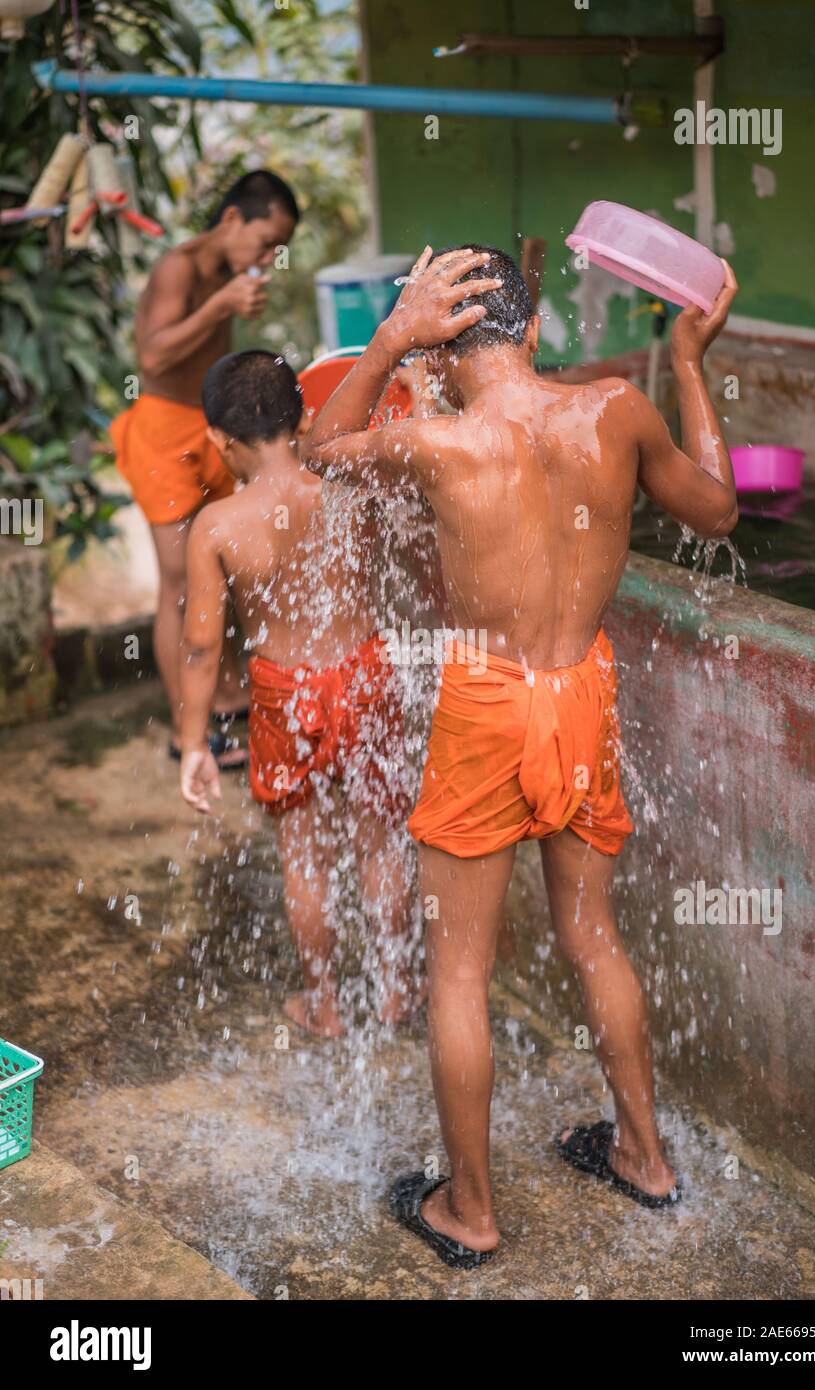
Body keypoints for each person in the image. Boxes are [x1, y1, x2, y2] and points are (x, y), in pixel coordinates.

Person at [299, 243, 738, 1266]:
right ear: (535, 331)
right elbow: (719, 509)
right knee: (594, 931)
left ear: (442, 358)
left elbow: (320, 449)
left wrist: (392, 336)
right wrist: (685, 360)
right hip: (582, 694)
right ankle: (643, 1154)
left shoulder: (438, 443)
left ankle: (470, 1211)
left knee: (459, 973)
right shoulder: (616, 409)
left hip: (487, 708)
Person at [178, 350, 417, 1036]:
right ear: (306, 413)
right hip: (367, 674)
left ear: (221, 442)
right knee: (379, 844)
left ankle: (325, 1003)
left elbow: (199, 645)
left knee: (304, 855)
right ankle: (397, 991)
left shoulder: (217, 526)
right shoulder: (349, 486)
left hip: (285, 693)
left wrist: (195, 743)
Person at [110, 170, 300, 764]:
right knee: (176, 585)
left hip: (212, 427)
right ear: (232, 220)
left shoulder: (230, 272)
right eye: (266, 241)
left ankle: (223, 693)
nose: (269, 257)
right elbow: (153, 353)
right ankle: (185, 730)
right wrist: (221, 304)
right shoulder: (181, 268)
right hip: (164, 427)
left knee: (220, 567)